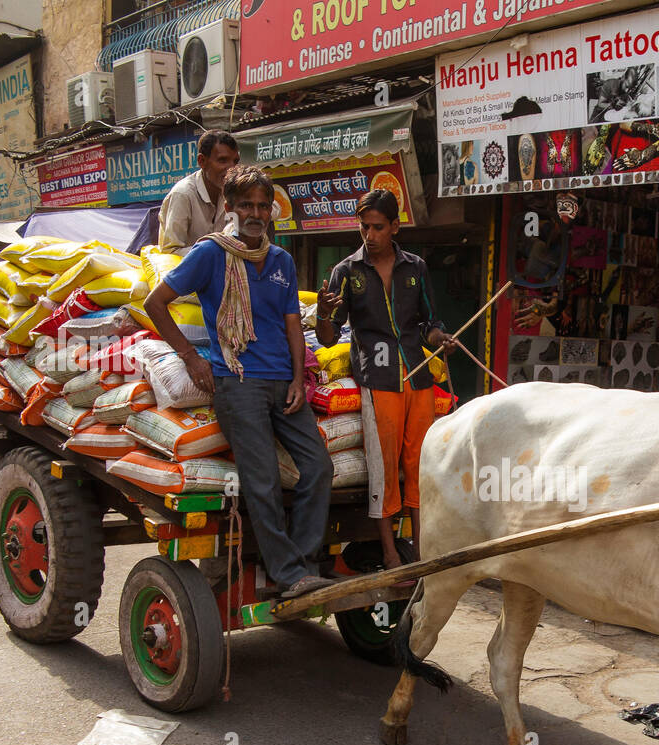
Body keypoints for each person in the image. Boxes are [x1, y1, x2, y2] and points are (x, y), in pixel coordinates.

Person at [145, 165, 336, 600]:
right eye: (246, 204)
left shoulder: (282, 260)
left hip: (282, 384)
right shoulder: (211, 254)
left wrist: (298, 379)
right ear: (229, 207)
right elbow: (156, 303)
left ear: (272, 210)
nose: (255, 212)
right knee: (263, 479)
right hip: (238, 384)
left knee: (319, 468)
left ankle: (304, 567)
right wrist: (192, 358)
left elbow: (292, 325)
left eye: (262, 205)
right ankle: (288, 575)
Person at [315, 188, 456, 571]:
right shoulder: (346, 271)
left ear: (395, 226)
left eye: (378, 227)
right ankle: (391, 552)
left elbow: (429, 323)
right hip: (378, 381)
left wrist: (441, 339)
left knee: (418, 462)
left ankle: (420, 545)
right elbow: (328, 337)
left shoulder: (416, 267)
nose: (370, 235)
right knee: (383, 465)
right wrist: (323, 314)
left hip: (417, 377)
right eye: (365, 227)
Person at [158, 130, 241, 256]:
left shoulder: (231, 191)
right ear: (202, 161)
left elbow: (273, 208)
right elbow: (170, 252)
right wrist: (215, 250)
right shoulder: (182, 194)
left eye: (235, 162)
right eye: (222, 160)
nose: (231, 169)